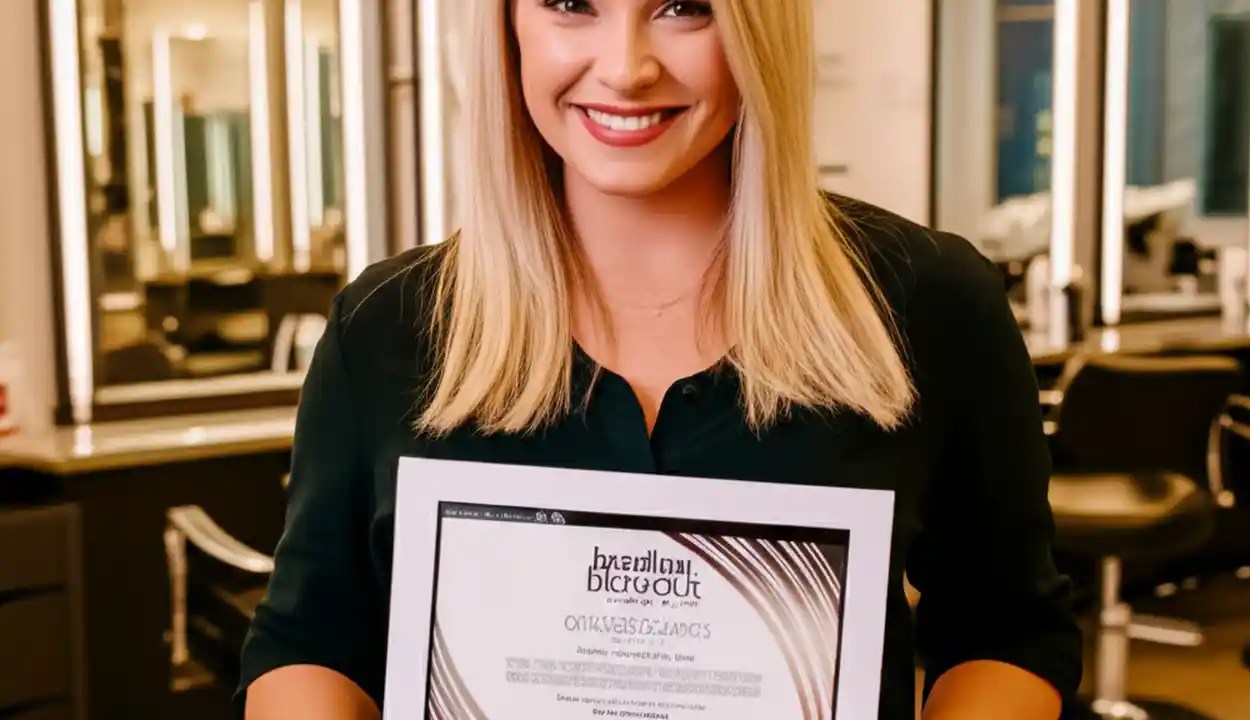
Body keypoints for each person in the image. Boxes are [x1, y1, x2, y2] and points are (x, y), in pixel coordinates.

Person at [237, 0, 1083, 717]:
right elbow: (311, 640)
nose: (627, 66)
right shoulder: (388, 326)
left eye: (684, 6)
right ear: (506, 25)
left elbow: (1007, 629)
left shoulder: (927, 304)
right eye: (572, 2)